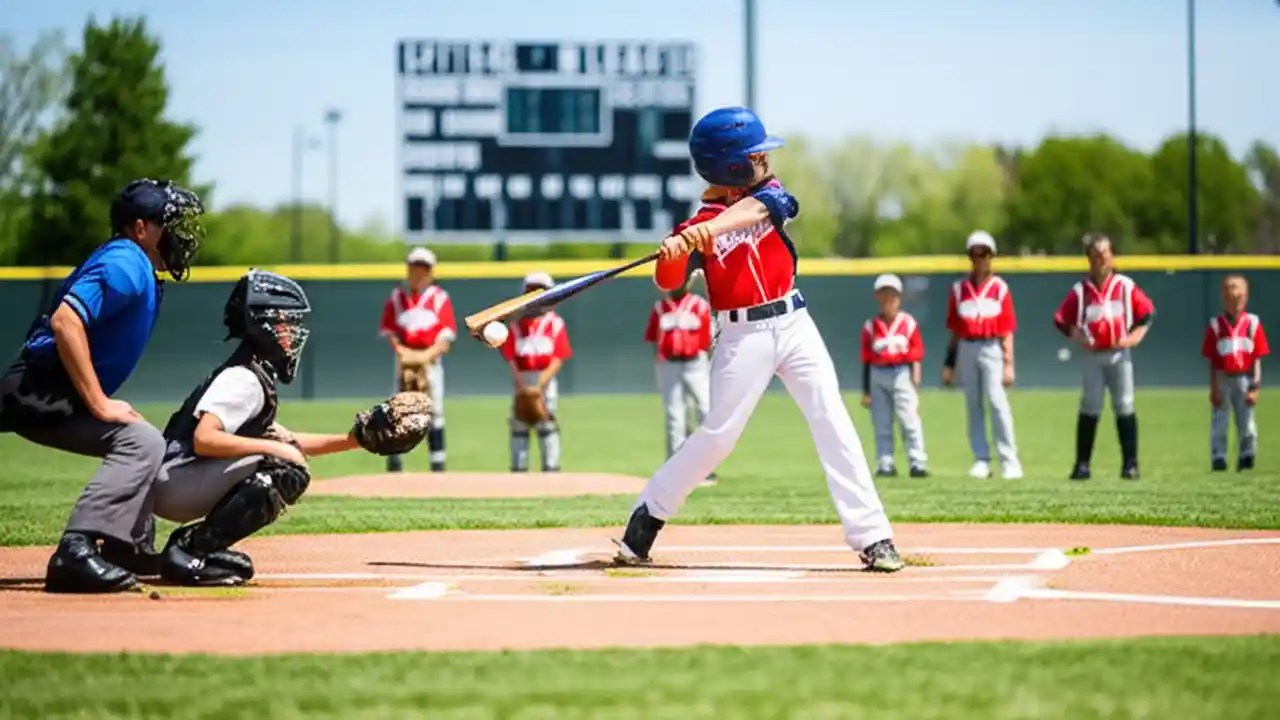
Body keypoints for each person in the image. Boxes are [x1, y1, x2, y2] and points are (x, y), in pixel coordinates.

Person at [612, 106, 903, 572]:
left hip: (793, 323)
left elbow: (762, 208)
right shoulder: (694, 230)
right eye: (755, 154)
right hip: (741, 334)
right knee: (719, 436)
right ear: (729, 165)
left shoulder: (768, 195)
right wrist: (673, 251)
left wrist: (703, 232)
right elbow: (668, 283)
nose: (765, 159)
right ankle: (647, 516)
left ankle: (873, 536)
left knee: (831, 417)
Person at [0, 179, 204, 594]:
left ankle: (123, 545)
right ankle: (74, 551)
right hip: (39, 388)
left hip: (54, 390)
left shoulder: (137, 264)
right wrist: (98, 401)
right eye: (170, 223)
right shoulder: (125, 261)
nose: (179, 235)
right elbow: (65, 321)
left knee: (145, 439)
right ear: (140, 229)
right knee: (141, 442)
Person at [153, 270, 365, 585]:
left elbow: (288, 439)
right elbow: (205, 439)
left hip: (180, 477)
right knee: (286, 467)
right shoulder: (244, 378)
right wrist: (273, 448)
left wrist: (355, 440)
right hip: (177, 478)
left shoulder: (253, 374)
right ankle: (191, 550)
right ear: (261, 324)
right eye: (285, 323)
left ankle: (199, 547)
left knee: (285, 456)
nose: (292, 332)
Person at [1052, 232, 1155, 480]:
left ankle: (1130, 464)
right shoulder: (1081, 291)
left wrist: (1131, 339)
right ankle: (1082, 465)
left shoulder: (1125, 286)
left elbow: (1146, 314)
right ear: (1088, 259)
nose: (1100, 260)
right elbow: (1062, 320)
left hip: (1119, 354)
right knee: (1090, 406)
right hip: (1093, 356)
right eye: (1095, 256)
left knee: (1124, 405)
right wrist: (1080, 339)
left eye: (1104, 255)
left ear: (1112, 257)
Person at [941, 230, 1022, 479]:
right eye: (975, 254)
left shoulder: (1000, 288)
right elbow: (955, 331)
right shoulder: (958, 289)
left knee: (997, 402)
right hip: (967, 346)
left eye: (984, 253)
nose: (979, 259)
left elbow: (1007, 329)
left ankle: (1009, 460)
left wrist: (1009, 363)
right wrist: (949, 363)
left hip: (991, 347)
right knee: (973, 404)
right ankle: (981, 459)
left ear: (991, 256)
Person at [379, 247, 455, 472]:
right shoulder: (397, 298)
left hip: (430, 361)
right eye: (415, 268)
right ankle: (395, 460)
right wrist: (403, 352)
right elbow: (389, 331)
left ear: (431, 272)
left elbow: (446, 336)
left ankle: (437, 462)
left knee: (435, 409)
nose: (419, 273)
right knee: (398, 408)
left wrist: (425, 357)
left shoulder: (440, 298)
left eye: (424, 268)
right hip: (403, 360)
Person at [500, 272, 572, 472]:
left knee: (546, 422)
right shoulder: (516, 324)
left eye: (541, 291)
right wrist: (523, 385)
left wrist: (539, 385)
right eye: (531, 291)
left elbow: (559, 357)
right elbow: (510, 357)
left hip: (545, 380)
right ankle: (519, 467)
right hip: (522, 379)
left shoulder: (554, 322)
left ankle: (551, 467)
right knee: (519, 423)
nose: (536, 296)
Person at [644, 276, 713, 480]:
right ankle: (675, 466)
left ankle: (705, 463)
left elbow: (708, 337)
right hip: (668, 363)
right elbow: (652, 337)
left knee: (704, 409)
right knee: (675, 414)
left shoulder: (699, 305)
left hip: (695, 362)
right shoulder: (660, 308)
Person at [860, 274, 928, 478]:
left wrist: (915, 380)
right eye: (883, 294)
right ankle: (885, 463)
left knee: (909, 419)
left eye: (892, 294)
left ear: (899, 297)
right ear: (877, 297)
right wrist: (866, 390)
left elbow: (916, 354)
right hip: (878, 373)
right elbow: (866, 359)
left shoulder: (908, 323)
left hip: (901, 372)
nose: (888, 299)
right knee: (881, 422)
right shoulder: (871, 326)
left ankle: (917, 462)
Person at [1203, 274, 1268, 472]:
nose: (1234, 299)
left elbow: (1257, 357)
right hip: (1223, 377)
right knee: (1220, 420)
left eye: (1239, 294)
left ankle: (1247, 455)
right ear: (1223, 297)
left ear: (1246, 297)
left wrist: (1255, 385)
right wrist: (1213, 387)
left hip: (1244, 377)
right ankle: (1219, 456)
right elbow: (1213, 361)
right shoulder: (1216, 325)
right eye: (1230, 294)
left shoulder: (1252, 324)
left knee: (1246, 419)